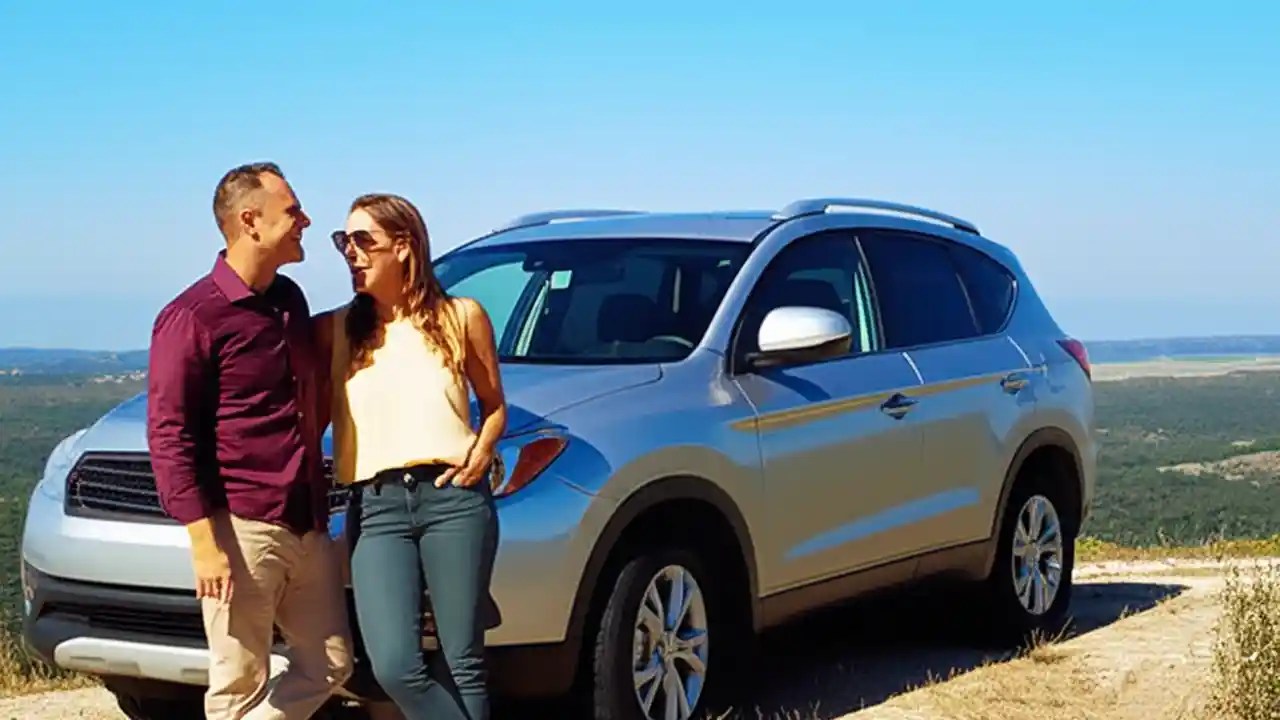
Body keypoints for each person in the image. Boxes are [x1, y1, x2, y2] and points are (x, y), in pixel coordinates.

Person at [145, 162, 354, 719]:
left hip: (306, 518)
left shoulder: (290, 300)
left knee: (332, 663)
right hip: (239, 527)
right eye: (292, 211)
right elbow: (170, 435)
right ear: (249, 222)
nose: (305, 220)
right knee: (237, 683)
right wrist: (202, 542)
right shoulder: (192, 317)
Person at [314, 192, 506, 720]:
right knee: (394, 663)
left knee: (461, 660)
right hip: (376, 509)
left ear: (403, 247)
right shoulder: (334, 330)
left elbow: (493, 407)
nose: (349, 253)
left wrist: (483, 449)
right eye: (343, 241)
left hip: (454, 500)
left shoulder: (462, 317)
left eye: (362, 241)